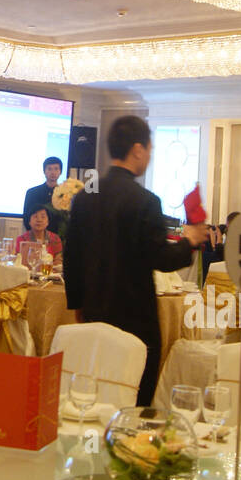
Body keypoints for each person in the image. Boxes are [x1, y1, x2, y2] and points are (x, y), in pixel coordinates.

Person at [63, 116, 207, 406]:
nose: (149, 157)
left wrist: (77, 304)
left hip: (92, 311)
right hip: (135, 318)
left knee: (97, 390)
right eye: (150, 150)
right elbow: (161, 259)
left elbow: (72, 255)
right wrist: (189, 242)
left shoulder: (85, 196)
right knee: (135, 395)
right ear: (138, 150)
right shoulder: (145, 201)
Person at [22, 156, 67, 238]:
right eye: (49, 169)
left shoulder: (66, 194)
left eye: (56, 169)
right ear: (44, 171)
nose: (53, 172)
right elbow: (26, 217)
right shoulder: (32, 192)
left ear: (60, 172)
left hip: (58, 237)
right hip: (36, 237)